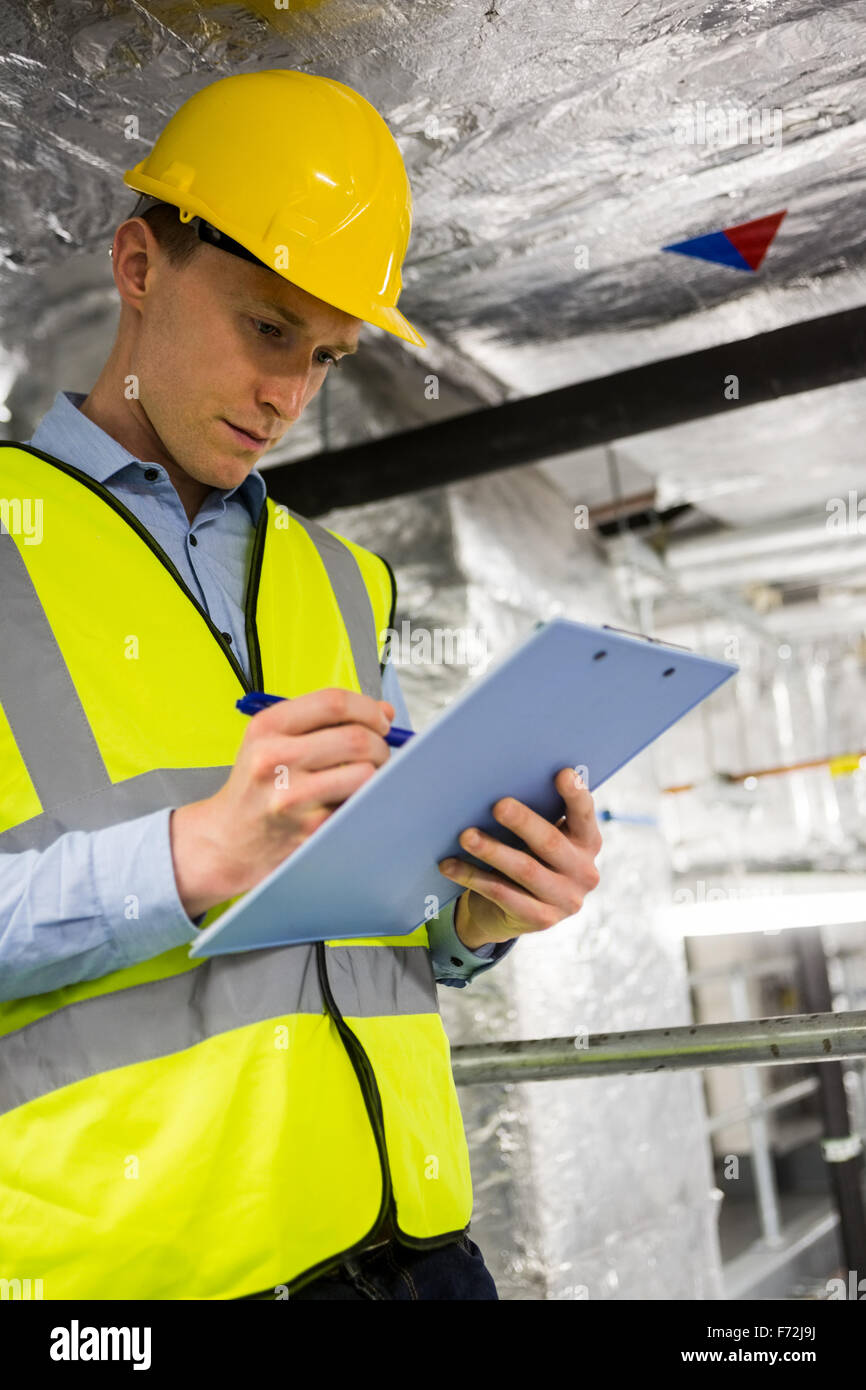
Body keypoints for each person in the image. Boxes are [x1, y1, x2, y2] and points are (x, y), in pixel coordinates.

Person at [0, 70, 603, 1301]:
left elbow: (369, 919)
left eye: (325, 356)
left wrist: (472, 918)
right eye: (268, 329)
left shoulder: (343, 580)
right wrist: (185, 858)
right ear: (138, 264)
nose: (288, 396)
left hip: (420, 1251)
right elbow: (212, 867)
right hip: (148, 1281)